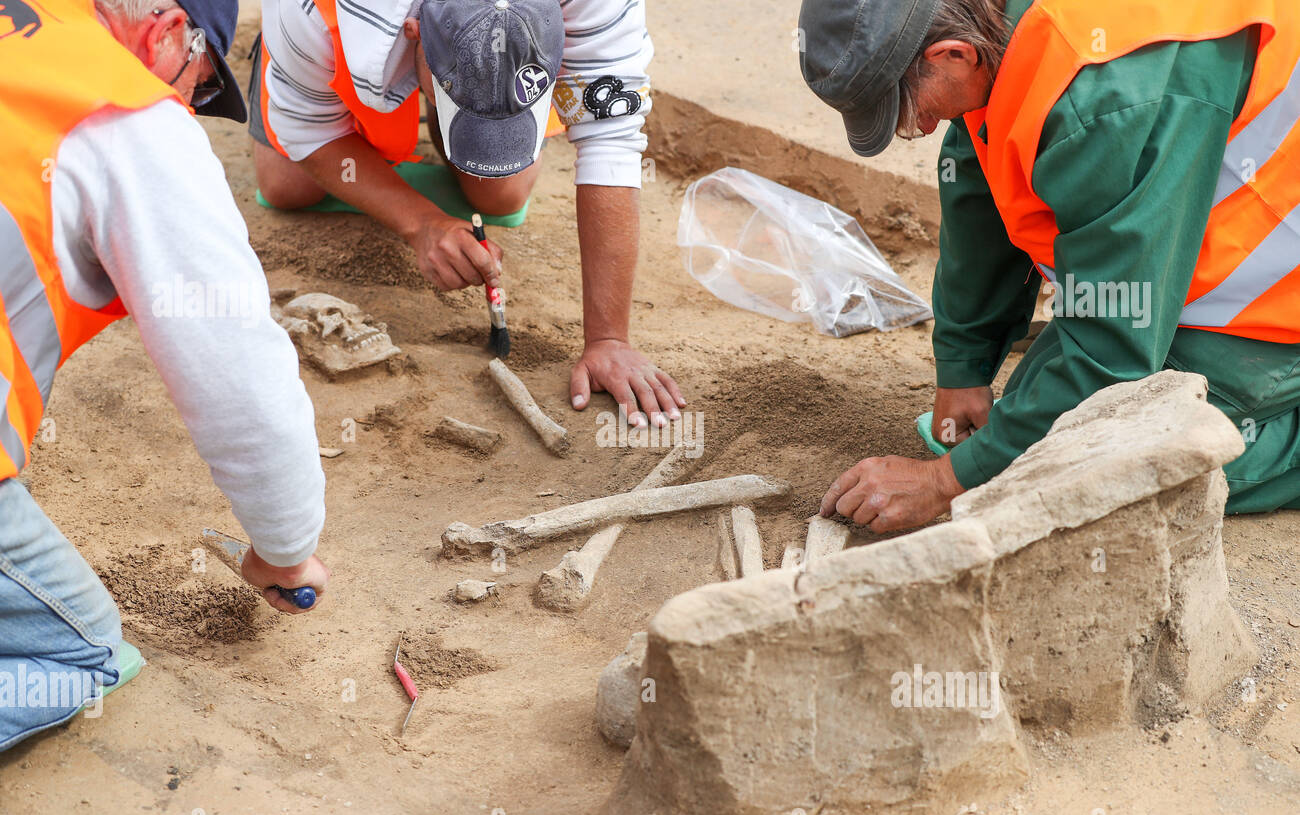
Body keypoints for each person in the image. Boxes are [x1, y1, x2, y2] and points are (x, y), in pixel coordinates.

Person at [799, 0, 1300, 531]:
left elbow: (1110, 359)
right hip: (1207, 231)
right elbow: (984, 168)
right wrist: (963, 365)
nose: (921, 127)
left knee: (1094, 465)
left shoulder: (1105, 95)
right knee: (1034, 415)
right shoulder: (998, 28)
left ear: (952, 54)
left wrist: (944, 481)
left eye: (908, 109)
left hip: (1273, 295)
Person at [0, 0, 329, 751]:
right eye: (197, 80)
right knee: (74, 656)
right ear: (167, 28)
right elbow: (236, 370)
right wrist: (286, 546)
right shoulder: (124, 111)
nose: (186, 103)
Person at [250, 0, 685, 428]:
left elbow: (612, 138)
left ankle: (474, 105)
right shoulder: (309, 12)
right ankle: (296, 63)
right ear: (414, 32)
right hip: (332, 36)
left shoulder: (596, 5)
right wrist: (422, 224)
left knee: (500, 194)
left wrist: (608, 338)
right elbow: (306, 129)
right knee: (288, 186)